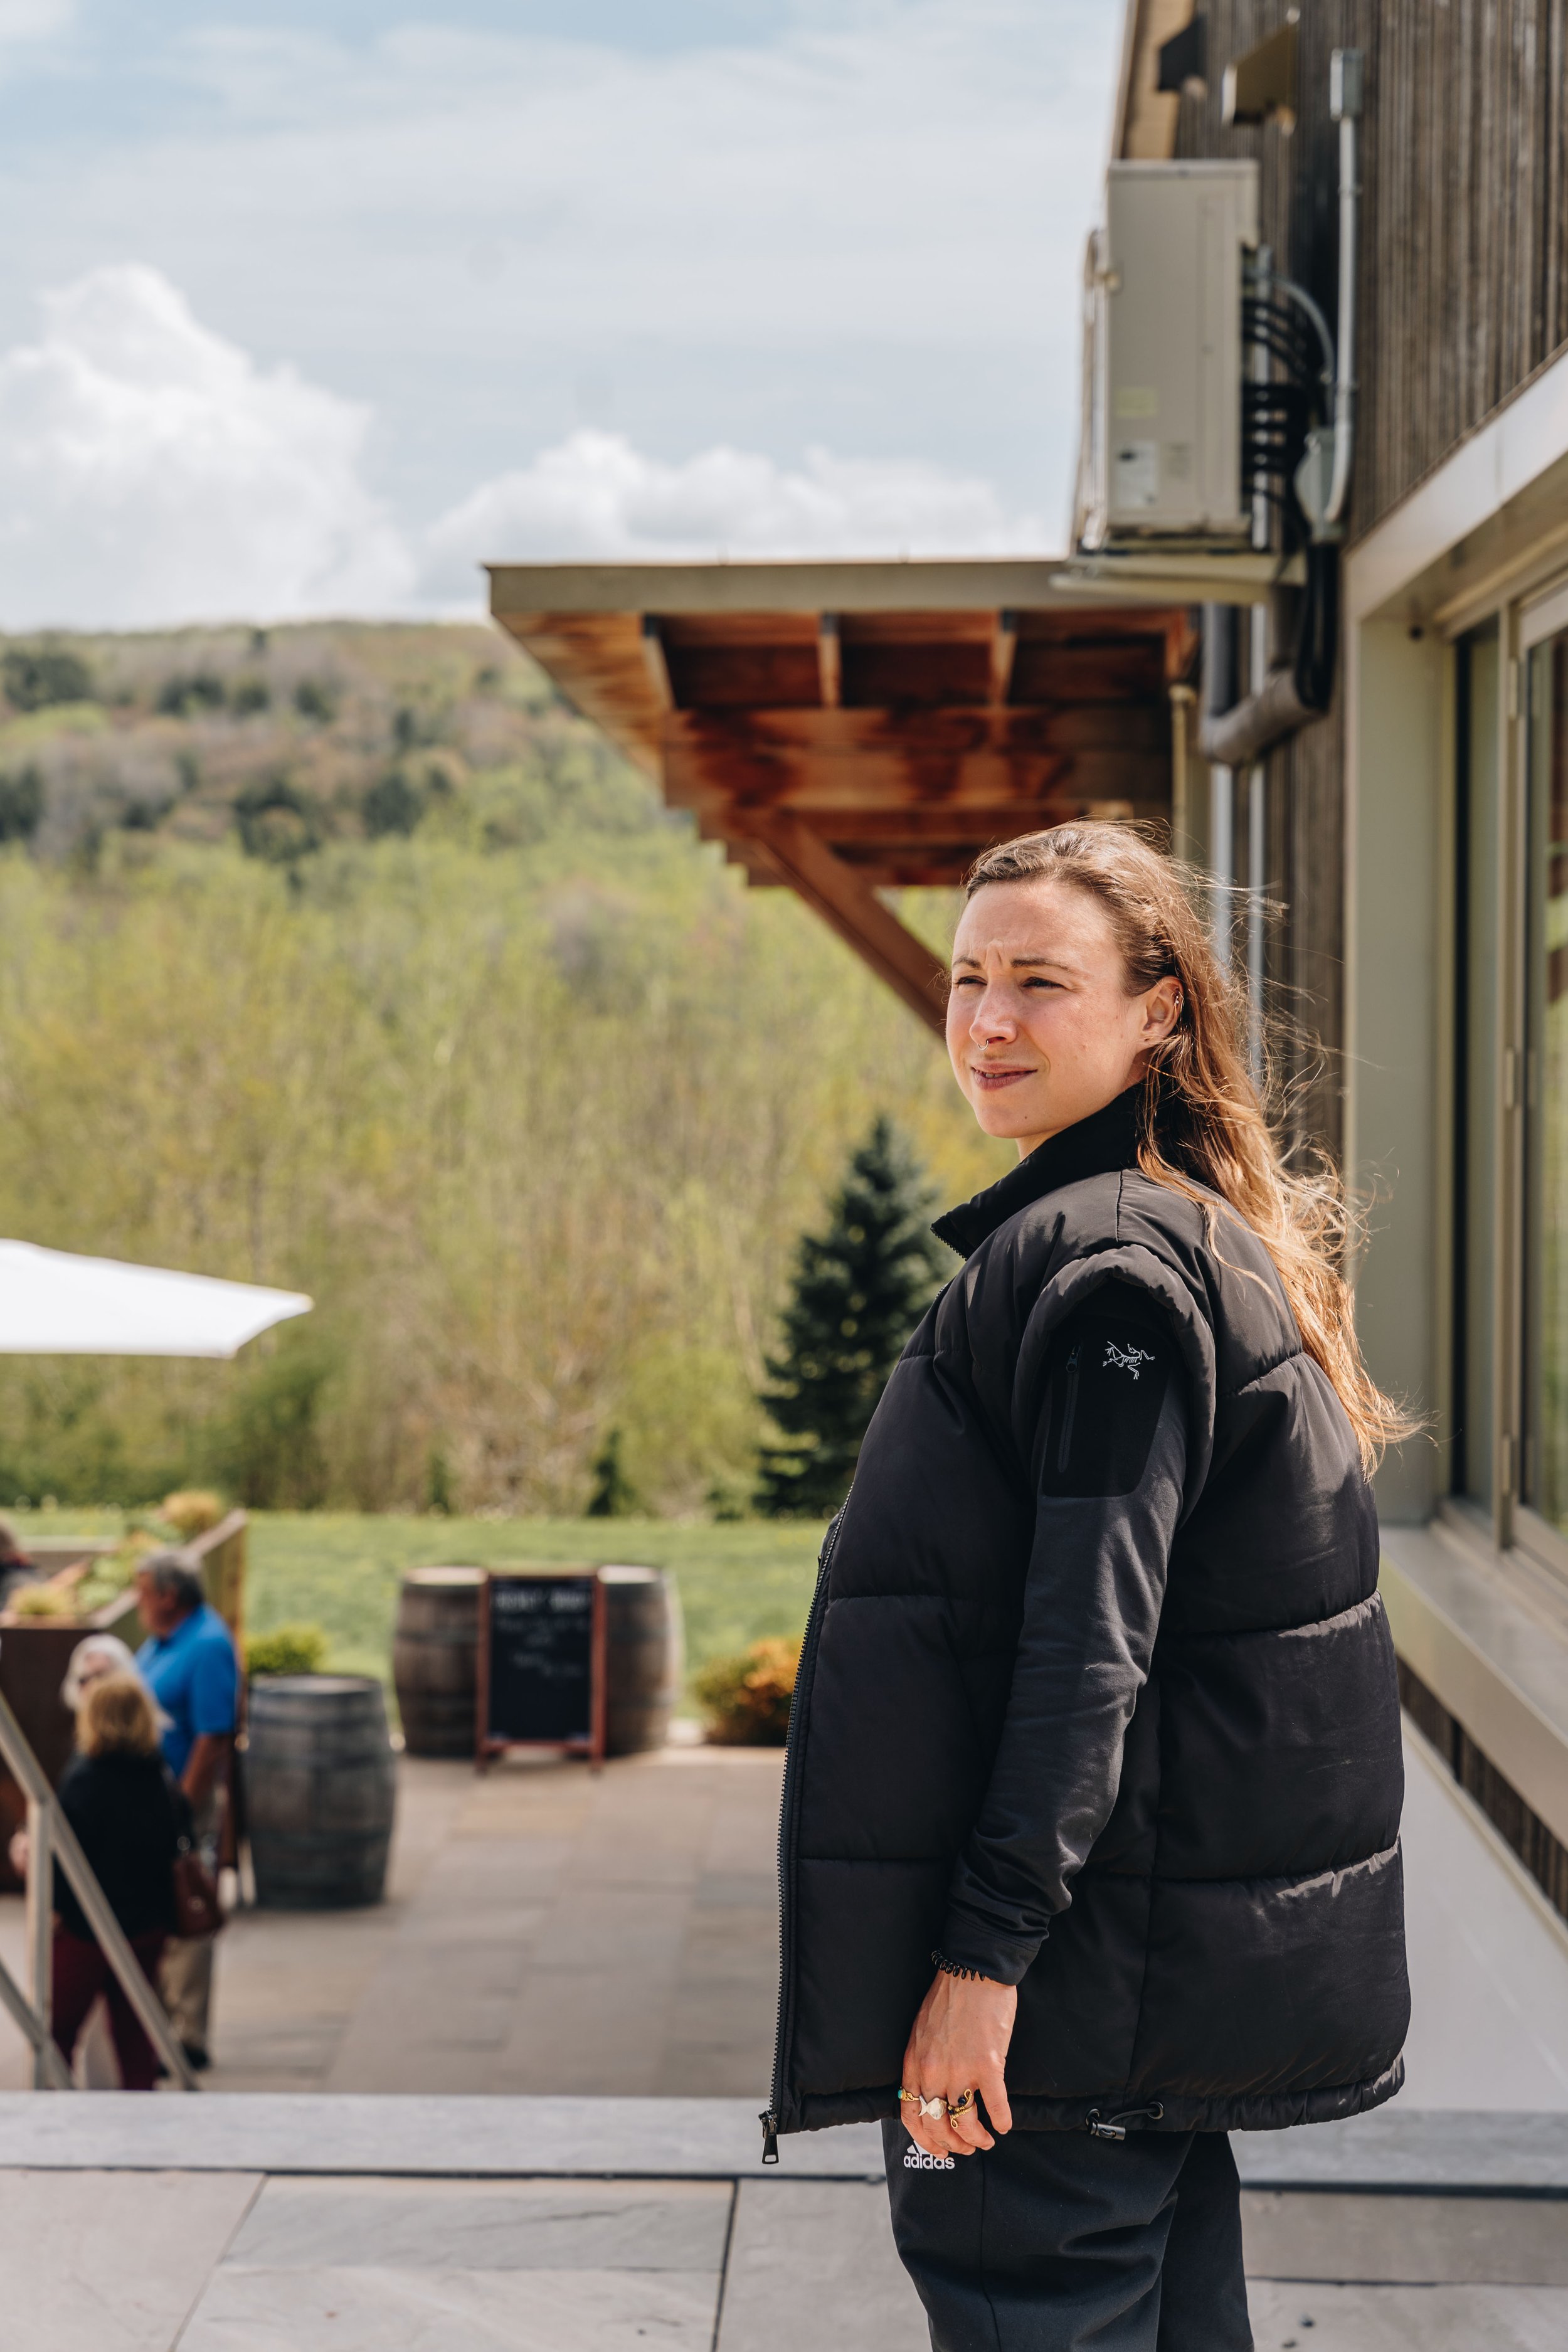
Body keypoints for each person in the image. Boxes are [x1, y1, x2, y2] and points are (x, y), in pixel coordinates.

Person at [764, 824, 1412, 2351]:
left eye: (1040, 981)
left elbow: (1085, 1651)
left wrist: (980, 1963)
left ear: (1160, 1010)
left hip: (1051, 2013)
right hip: (1129, 2008)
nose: (987, 1022)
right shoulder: (1161, 1235)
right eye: (969, 978)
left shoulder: (1107, 1267)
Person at [8, 1673, 190, 2090]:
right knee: (135, 2035)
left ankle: (58, 2116)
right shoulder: (159, 1776)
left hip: (87, 1931)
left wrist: (53, 1906)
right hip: (147, 1926)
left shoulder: (84, 1780)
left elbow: (61, 1859)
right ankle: (140, 2127)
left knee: (58, 2033)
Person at [135, 1549, 239, 2070]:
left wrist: (179, 1809)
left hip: (182, 1806)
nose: (137, 1603)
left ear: (168, 1597)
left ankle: (187, 2033)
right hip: (149, 1801)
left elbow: (212, 1737)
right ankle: (155, 2024)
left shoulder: (208, 1645)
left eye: (143, 1593)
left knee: (186, 1906)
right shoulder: (164, 1641)